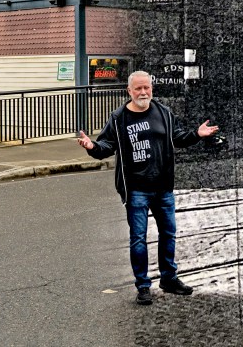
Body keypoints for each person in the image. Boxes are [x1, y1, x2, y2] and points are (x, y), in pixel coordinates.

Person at [76, 70, 219, 306]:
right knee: (138, 239)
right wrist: (91, 146)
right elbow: (105, 146)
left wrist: (197, 134)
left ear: (151, 88)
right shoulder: (119, 118)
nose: (143, 92)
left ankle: (169, 279)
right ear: (129, 91)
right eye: (138, 89)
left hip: (163, 187)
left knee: (168, 234)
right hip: (136, 190)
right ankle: (143, 285)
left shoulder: (163, 112)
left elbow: (178, 137)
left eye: (147, 88)